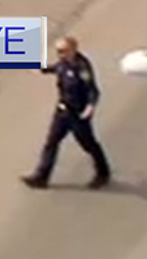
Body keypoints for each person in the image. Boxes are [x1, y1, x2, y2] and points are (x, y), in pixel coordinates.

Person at [22, 36, 111, 190]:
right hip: (62, 111)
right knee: (51, 143)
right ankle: (41, 176)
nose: (60, 54)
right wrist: (40, 68)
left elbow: (93, 91)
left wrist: (90, 107)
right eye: (58, 51)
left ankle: (103, 172)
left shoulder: (82, 68)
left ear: (73, 50)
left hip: (78, 115)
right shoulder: (63, 64)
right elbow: (55, 68)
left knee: (88, 144)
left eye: (63, 51)